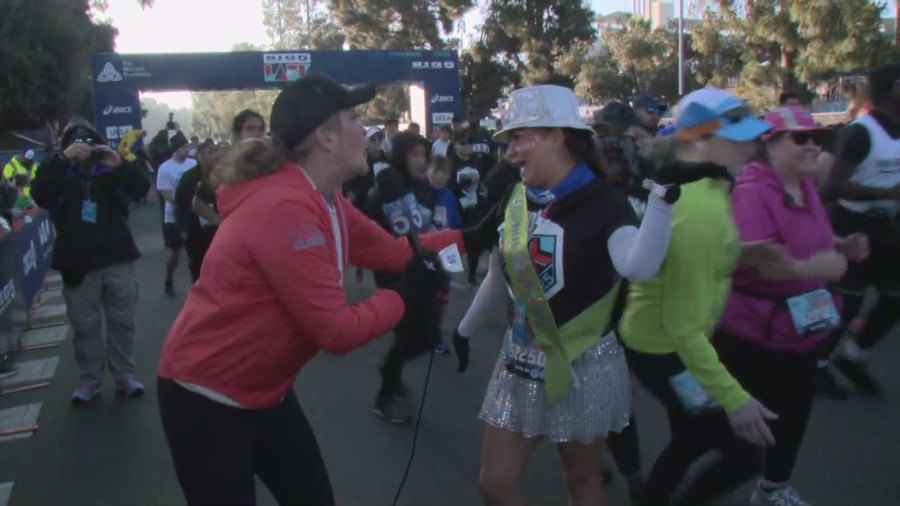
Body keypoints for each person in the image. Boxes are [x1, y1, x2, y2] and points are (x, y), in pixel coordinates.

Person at [156, 74, 476, 506]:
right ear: (324, 138)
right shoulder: (285, 206)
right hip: (206, 397)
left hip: (267, 391)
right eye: (352, 118)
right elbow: (335, 331)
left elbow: (397, 251)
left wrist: (476, 237)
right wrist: (403, 299)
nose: (363, 129)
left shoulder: (327, 198)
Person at [450, 84, 709, 506]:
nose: (510, 152)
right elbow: (502, 272)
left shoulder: (606, 203)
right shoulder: (518, 198)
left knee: (582, 480)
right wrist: (465, 329)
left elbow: (637, 266)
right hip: (517, 364)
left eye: (519, 138)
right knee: (493, 485)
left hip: (582, 367)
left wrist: (662, 202)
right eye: (509, 141)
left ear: (557, 135)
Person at [618, 88, 785, 506]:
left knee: (691, 439)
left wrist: (744, 253)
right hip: (663, 348)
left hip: (663, 341)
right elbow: (684, 328)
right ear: (697, 139)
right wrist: (736, 401)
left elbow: (686, 261)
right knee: (746, 455)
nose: (752, 143)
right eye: (739, 134)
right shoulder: (699, 207)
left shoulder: (710, 187)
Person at [709, 106, 868, 506]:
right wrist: (813, 267)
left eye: (817, 136)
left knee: (794, 415)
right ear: (771, 144)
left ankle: (773, 489)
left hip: (802, 328)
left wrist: (839, 245)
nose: (813, 144)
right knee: (738, 440)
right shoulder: (752, 191)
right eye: (801, 137)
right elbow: (756, 259)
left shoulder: (804, 185)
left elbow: (810, 237)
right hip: (754, 333)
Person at [30, 117, 150, 403]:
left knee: (123, 321)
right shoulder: (60, 172)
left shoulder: (108, 169)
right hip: (78, 263)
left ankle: (124, 376)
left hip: (117, 256)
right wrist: (62, 159)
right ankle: (89, 380)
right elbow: (40, 194)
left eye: (88, 141)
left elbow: (141, 188)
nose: (83, 147)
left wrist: (119, 164)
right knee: (85, 326)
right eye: (76, 142)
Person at [819, 62, 900, 399]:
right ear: (889, 91)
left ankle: (854, 356)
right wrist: (886, 194)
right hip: (852, 226)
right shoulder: (861, 132)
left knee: (894, 299)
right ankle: (817, 367)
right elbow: (830, 187)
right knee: (845, 304)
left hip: (886, 227)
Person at [365, 131, 446, 422]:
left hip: (422, 270)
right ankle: (385, 396)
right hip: (393, 274)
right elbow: (369, 232)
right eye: (413, 154)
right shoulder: (383, 189)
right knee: (407, 334)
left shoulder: (423, 188)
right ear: (400, 155)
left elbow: (430, 228)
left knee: (427, 335)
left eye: (422, 154)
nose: (420, 160)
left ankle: (391, 368)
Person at [156, 131, 197, 297]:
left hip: (194, 215)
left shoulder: (193, 164)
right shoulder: (165, 168)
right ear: (175, 149)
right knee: (175, 252)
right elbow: (166, 194)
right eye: (183, 147)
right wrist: (182, 203)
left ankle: (197, 284)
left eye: (187, 147)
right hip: (173, 218)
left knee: (195, 253)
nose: (186, 150)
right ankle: (168, 280)